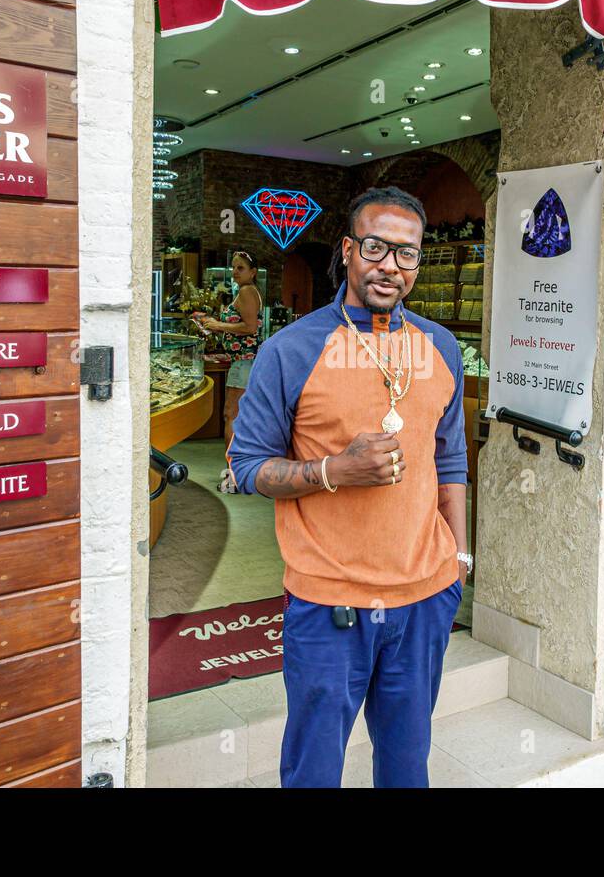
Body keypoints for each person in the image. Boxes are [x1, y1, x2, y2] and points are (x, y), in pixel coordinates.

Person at [226, 186, 471, 788]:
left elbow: (452, 461)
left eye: (407, 253)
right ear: (348, 250)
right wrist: (335, 471)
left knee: (408, 760)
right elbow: (248, 466)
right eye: (376, 246)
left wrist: (460, 557)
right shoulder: (291, 350)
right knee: (314, 765)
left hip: (424, 594)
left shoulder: (440, 348)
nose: (390, 265)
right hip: (329, 599)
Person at [195, 249, 263, 449]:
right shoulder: (245, 291)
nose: (235, 271)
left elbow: (250, 327)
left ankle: (232, 470)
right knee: (238, 414)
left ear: (253, 272)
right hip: (243, 361)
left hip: (244, 362)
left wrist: (218, 325)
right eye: (233, 267)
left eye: (240, 268)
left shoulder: (247, 291)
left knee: (231, 414)